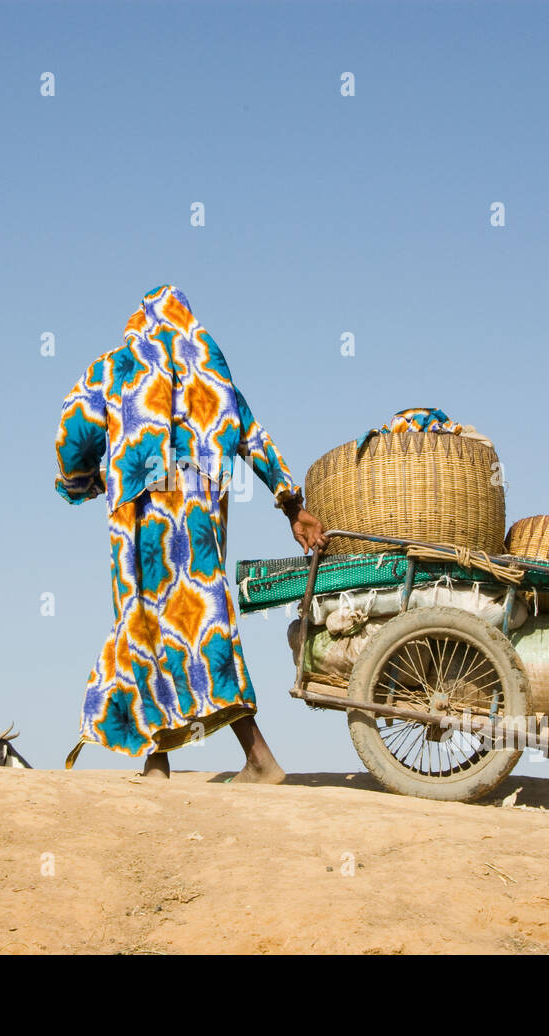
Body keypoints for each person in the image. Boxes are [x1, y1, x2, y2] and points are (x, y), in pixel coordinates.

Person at [55, 285, 326, 783]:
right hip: (198, 513)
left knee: (145, 621)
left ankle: (257, 758)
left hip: (142, 510)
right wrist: (292, 505)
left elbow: (73, 434)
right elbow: (254, 437)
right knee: (195, 621)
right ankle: (157, 759)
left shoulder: (115, 365)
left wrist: (82, 482)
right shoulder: (212, 374)